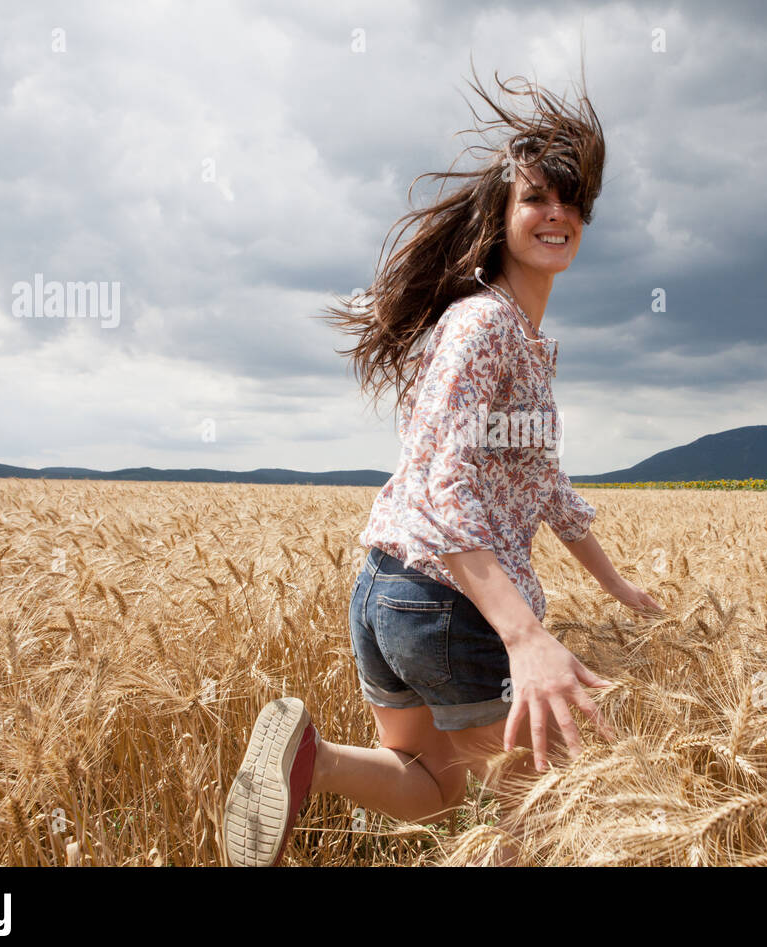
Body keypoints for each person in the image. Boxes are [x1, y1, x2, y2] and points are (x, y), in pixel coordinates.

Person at [222, 66, 664, 867]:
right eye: (535, 197)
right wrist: (525, 636)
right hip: (450, 604)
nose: (556, 212)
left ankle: (307, 761)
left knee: (430, 784)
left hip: (390, 595)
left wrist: (618, 586)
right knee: (551, 806)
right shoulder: (482, 325)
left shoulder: (523, 340)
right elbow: (442, 477)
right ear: (501, 217)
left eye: (571, 201)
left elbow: (544, 487)